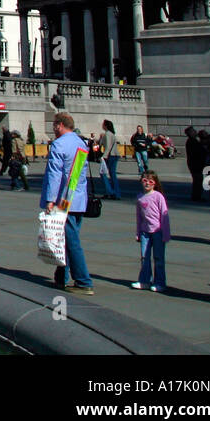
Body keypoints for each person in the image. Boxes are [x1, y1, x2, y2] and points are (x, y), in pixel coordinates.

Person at [41, 111, 93, 295]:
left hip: (64, 200)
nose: (54, 129)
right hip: (78, 197)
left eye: (55, 125)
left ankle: (83, 280)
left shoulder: (58, 145)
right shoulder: (81, 143)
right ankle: (61, 277)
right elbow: (78, 174)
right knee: (65, 239)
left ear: (60, 125)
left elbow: (55, 174)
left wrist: (50, 200)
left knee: (71, 241)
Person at [132, 170, 170, 292]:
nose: (147, 183)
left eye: (150, 181)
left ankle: (160, 282)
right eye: (144, 180)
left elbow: (164, 216)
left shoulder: (158, 196)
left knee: (158, 258)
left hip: (158, 231)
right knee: (144, 257)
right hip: (145, 232)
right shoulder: (140, 197)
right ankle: (144, 281)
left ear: (155, 183)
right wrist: (138, 232)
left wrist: (166, 233)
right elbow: (138, 217)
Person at [99, 120, 121, 200]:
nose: (102, 125)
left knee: (103, 173)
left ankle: (110, 191)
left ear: (106, 126)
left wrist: (104, 156)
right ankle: (116, 193)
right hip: (115, 155)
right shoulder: (111, 134)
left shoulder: (108, 134)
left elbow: (108, 146)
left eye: (103, 124)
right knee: (112, 175)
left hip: (110, 155)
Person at [185, 127, 206, 201]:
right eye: (193, 131)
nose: (195, 132)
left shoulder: (193, 140)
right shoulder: (192, 141)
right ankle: (196, 196)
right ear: (190, 133)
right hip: (195, 163)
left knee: (198, 180)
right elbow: (199, 152)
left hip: (194, 163)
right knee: (198, 180)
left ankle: (196, 196)